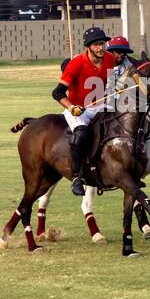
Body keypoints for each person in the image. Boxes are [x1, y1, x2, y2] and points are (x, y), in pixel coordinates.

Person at [54, 26, 116, 196]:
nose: (101, 48)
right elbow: (57, 92)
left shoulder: (110, 58)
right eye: (96, 45)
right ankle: (76, 177)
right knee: (81, 135)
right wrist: (72, 107)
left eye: (102, 44)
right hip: (79, 109)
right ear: (88, 46)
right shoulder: (76, 63)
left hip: (102, 105)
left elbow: (123, 64)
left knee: (126, 119)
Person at [106, 35, 150, 156]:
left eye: (124, 52)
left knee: (148, 108)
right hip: (105, 98)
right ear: (110, 52)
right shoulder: (103, 63)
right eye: (118, 51)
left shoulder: (131, 63)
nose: (121, 54)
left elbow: (142, 74)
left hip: (127, 99)